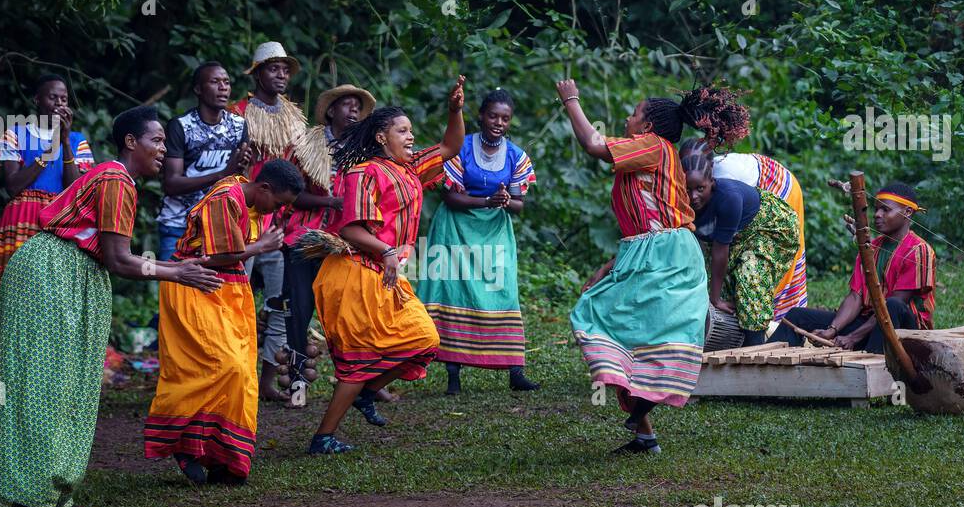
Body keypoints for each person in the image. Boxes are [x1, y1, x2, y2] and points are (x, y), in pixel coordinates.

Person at [0, 105, 223, 507]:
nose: (163, 149)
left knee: (58, 384)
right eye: (156, 141)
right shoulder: (115, 179)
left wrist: (175, 270)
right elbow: (120, 260)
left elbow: (113, 257)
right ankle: (34, 495)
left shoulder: (116, 179)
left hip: (67, 273)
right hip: (52, 273)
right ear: (130, 142)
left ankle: (45, 492)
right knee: (44, 384)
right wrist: (178, 271)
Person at [557, 80, 746, 454]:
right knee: (612, 322)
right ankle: (644, 434)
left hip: (669, 256)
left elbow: (594, 145)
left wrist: (571, 101)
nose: (627, 119)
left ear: (646, 128)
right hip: (645, 252)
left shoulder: (655, 147)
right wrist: (613, 264)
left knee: (642, 333)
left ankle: (645, 405)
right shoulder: (647, 153)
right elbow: (646, 220)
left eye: (633, 114)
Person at [306, 77, 467, 454]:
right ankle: (323, 437)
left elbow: (450, 145)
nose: (411, 137)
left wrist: (456, 109)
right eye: (403, 131)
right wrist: (388, 250)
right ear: (381, 137)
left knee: (425, 340)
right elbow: (349, 227)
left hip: (385, 273)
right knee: (358, 360)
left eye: (411, 131)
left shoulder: (410, 168)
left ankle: (368, 392)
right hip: (354, 272)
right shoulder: (363, 172)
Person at [144, 160, 304, 486]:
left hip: (231, 289)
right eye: (279, 203)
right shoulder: (225, 199)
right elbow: (214, 257)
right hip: (195, 284)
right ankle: (184, 444)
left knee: (242, 375)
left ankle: (223, 459)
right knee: (218, 367)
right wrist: (261, 247)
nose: (281, 210)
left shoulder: (254, 202)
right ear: (264, 188)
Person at [419, 88, 539, 394]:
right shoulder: (462, 147)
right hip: (455, 230)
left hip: (494, 234)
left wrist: (502, 200)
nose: (499, 122)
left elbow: (518, 204)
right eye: (493, 116)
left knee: (503, 291)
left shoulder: (516, 155)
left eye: (505, 118)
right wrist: (488, 200)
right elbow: (449, 196)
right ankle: (453, 376)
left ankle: (515, 370)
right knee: (454, 292)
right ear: (481, 116)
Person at [280, 84, 377, 405]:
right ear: (331, 110)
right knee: (300, 309)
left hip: (344, 242)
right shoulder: (307, 144)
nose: (353, 111)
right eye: (347, 105)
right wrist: (332, 201)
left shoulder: (364, 148)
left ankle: (360, 382)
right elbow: (291, 193)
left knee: (348, 312)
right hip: (304, 237)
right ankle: (296, 385)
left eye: (357, 107)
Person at [0, 73, 94, 342]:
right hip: (22, 219)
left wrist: (63, 142)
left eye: (64, 99)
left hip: (58, 222)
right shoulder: (15, 134)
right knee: (16, 294)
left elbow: (74, 190)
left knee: (53, 295)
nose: (58, 103)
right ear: (37, 100)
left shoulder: (77, 140)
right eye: (52, 97)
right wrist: (47, 151)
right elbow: (13, 186)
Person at [771, 181, 937, 352]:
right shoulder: (870, 248)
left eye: (885, 210)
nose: (877, 215)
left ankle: (872, 366)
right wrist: (832, 330)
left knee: (892, 305)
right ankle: (764, 366)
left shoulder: (919, 250)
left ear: (908, 212)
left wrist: (853, 337)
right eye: (877, 209)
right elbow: (855, 297)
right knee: (798, 316)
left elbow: (894, 306)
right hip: (869, 324)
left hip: (904, 332)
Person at [229, 42, 307, 400]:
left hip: (279, 222)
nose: (280, 75)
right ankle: (233, 374)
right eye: (273, 68)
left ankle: (267, 378)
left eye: (285, 69)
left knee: (280, 300)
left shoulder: (294, 117)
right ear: (257, 73)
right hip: (242, 216)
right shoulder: (237, 113)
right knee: (234, 293)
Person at [681, 141, 802, 345]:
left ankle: (755, 347)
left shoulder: (728, 198)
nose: (693, 197)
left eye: (700, 189)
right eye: (688, 190)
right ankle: (728, 343)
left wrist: (715, 298)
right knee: (720, 287)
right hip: (737, 235)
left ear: (712, 182)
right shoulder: (679, 198)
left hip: (771, 227)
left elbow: (720, 252)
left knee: (750, 275)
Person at [157, 61, 249, 262]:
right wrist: (222, 174)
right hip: (179, 224)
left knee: (214, 292)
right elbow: (171, 184)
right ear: (198, 89)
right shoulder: (181, 126)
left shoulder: (238, 125)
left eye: (226, 82)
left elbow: (238, 178)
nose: (223, 87)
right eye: (215, 82)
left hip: (219, 226)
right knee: (172, 290)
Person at [709, 147, 808, 321]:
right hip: (753, 196)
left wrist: (715, 297)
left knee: (763, 271)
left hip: (778, 189)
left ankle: (780, 321)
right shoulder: (698, 181)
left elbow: (722, 245)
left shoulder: (724, 184)